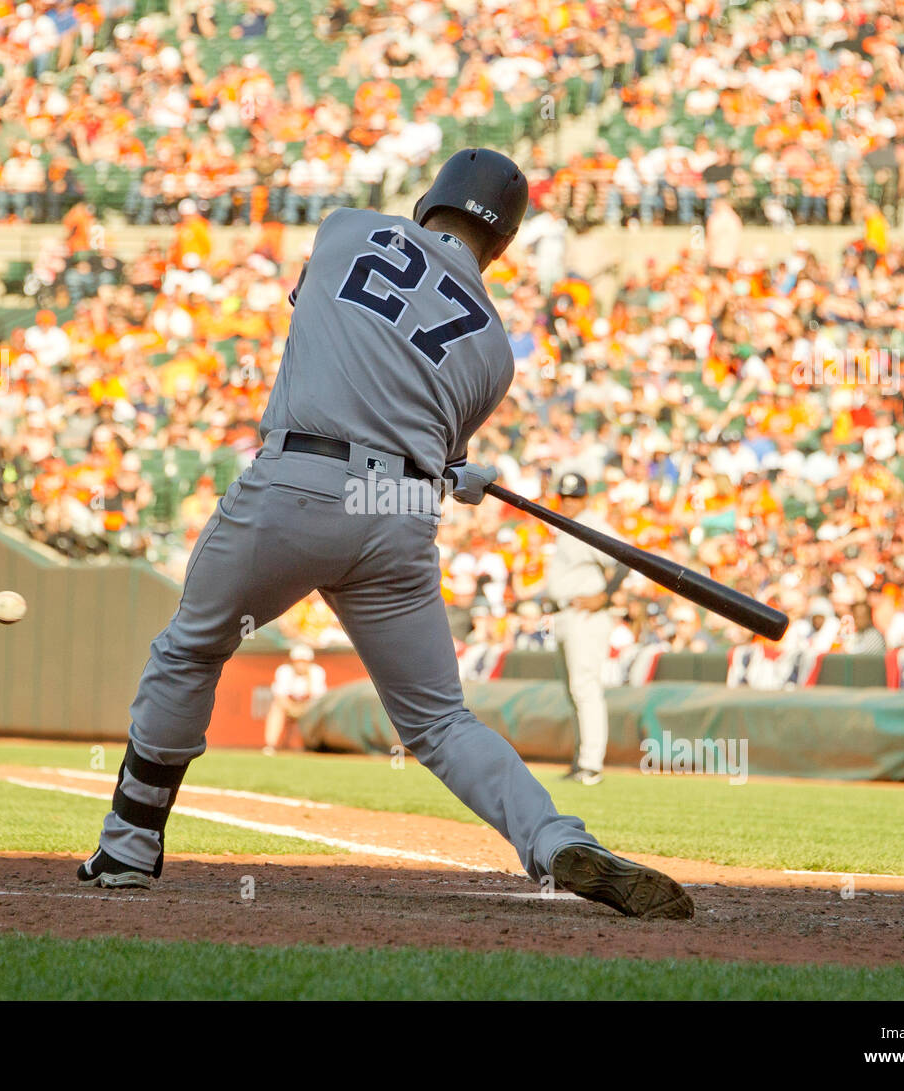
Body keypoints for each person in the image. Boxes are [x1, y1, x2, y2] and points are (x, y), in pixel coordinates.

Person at [77, 148, 693, 920]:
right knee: (437, 720)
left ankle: (129, 847)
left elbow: (339, 330)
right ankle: (553, 836)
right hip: (397, 512)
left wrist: (443, 459)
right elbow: (435, 446)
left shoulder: (345, 229)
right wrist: (452, 468)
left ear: (430, 200)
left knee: (192, 647)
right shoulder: (497, 350)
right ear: (502, 244)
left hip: (299, 482)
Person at [545, 472, 627, 786]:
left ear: (585, 498)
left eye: (574, 496)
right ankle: (581, 761)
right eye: (564, 496)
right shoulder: (568, 527)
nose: (568, 501)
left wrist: (604, 597)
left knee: (585, 688)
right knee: (573, 690)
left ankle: (591, 765)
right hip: (564, 615)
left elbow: (624, 558)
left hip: (585, 617)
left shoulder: (590, 522)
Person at [262, 644, 328, 754]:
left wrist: (303, 708)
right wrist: (293, 709)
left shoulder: (317, 672)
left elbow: (318, 699)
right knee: (276, 709)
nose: (301, 665)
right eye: (298, 661)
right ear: (292, 661)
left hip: (308, 707)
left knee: (322, 711)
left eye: (304, 661)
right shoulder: (284, 671)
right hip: (289, 706)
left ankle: (318, 747)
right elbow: (280, 697)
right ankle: (270, 746)